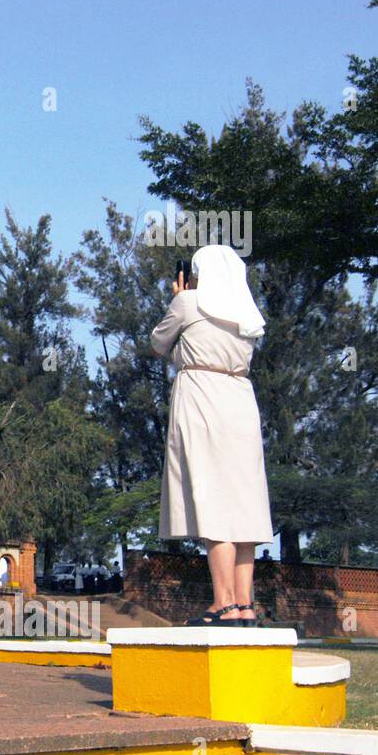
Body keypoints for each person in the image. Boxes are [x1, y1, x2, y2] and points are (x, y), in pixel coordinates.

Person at [152, 244, 274, 627]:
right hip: (240, 400)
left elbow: (160, 344)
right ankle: (244, 603)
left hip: (202, 400)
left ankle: (222, 602)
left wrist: (178, 296)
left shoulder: (189, 302)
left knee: (213, 500)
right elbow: (190, 352)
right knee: (244, 503)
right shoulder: (246, 313)